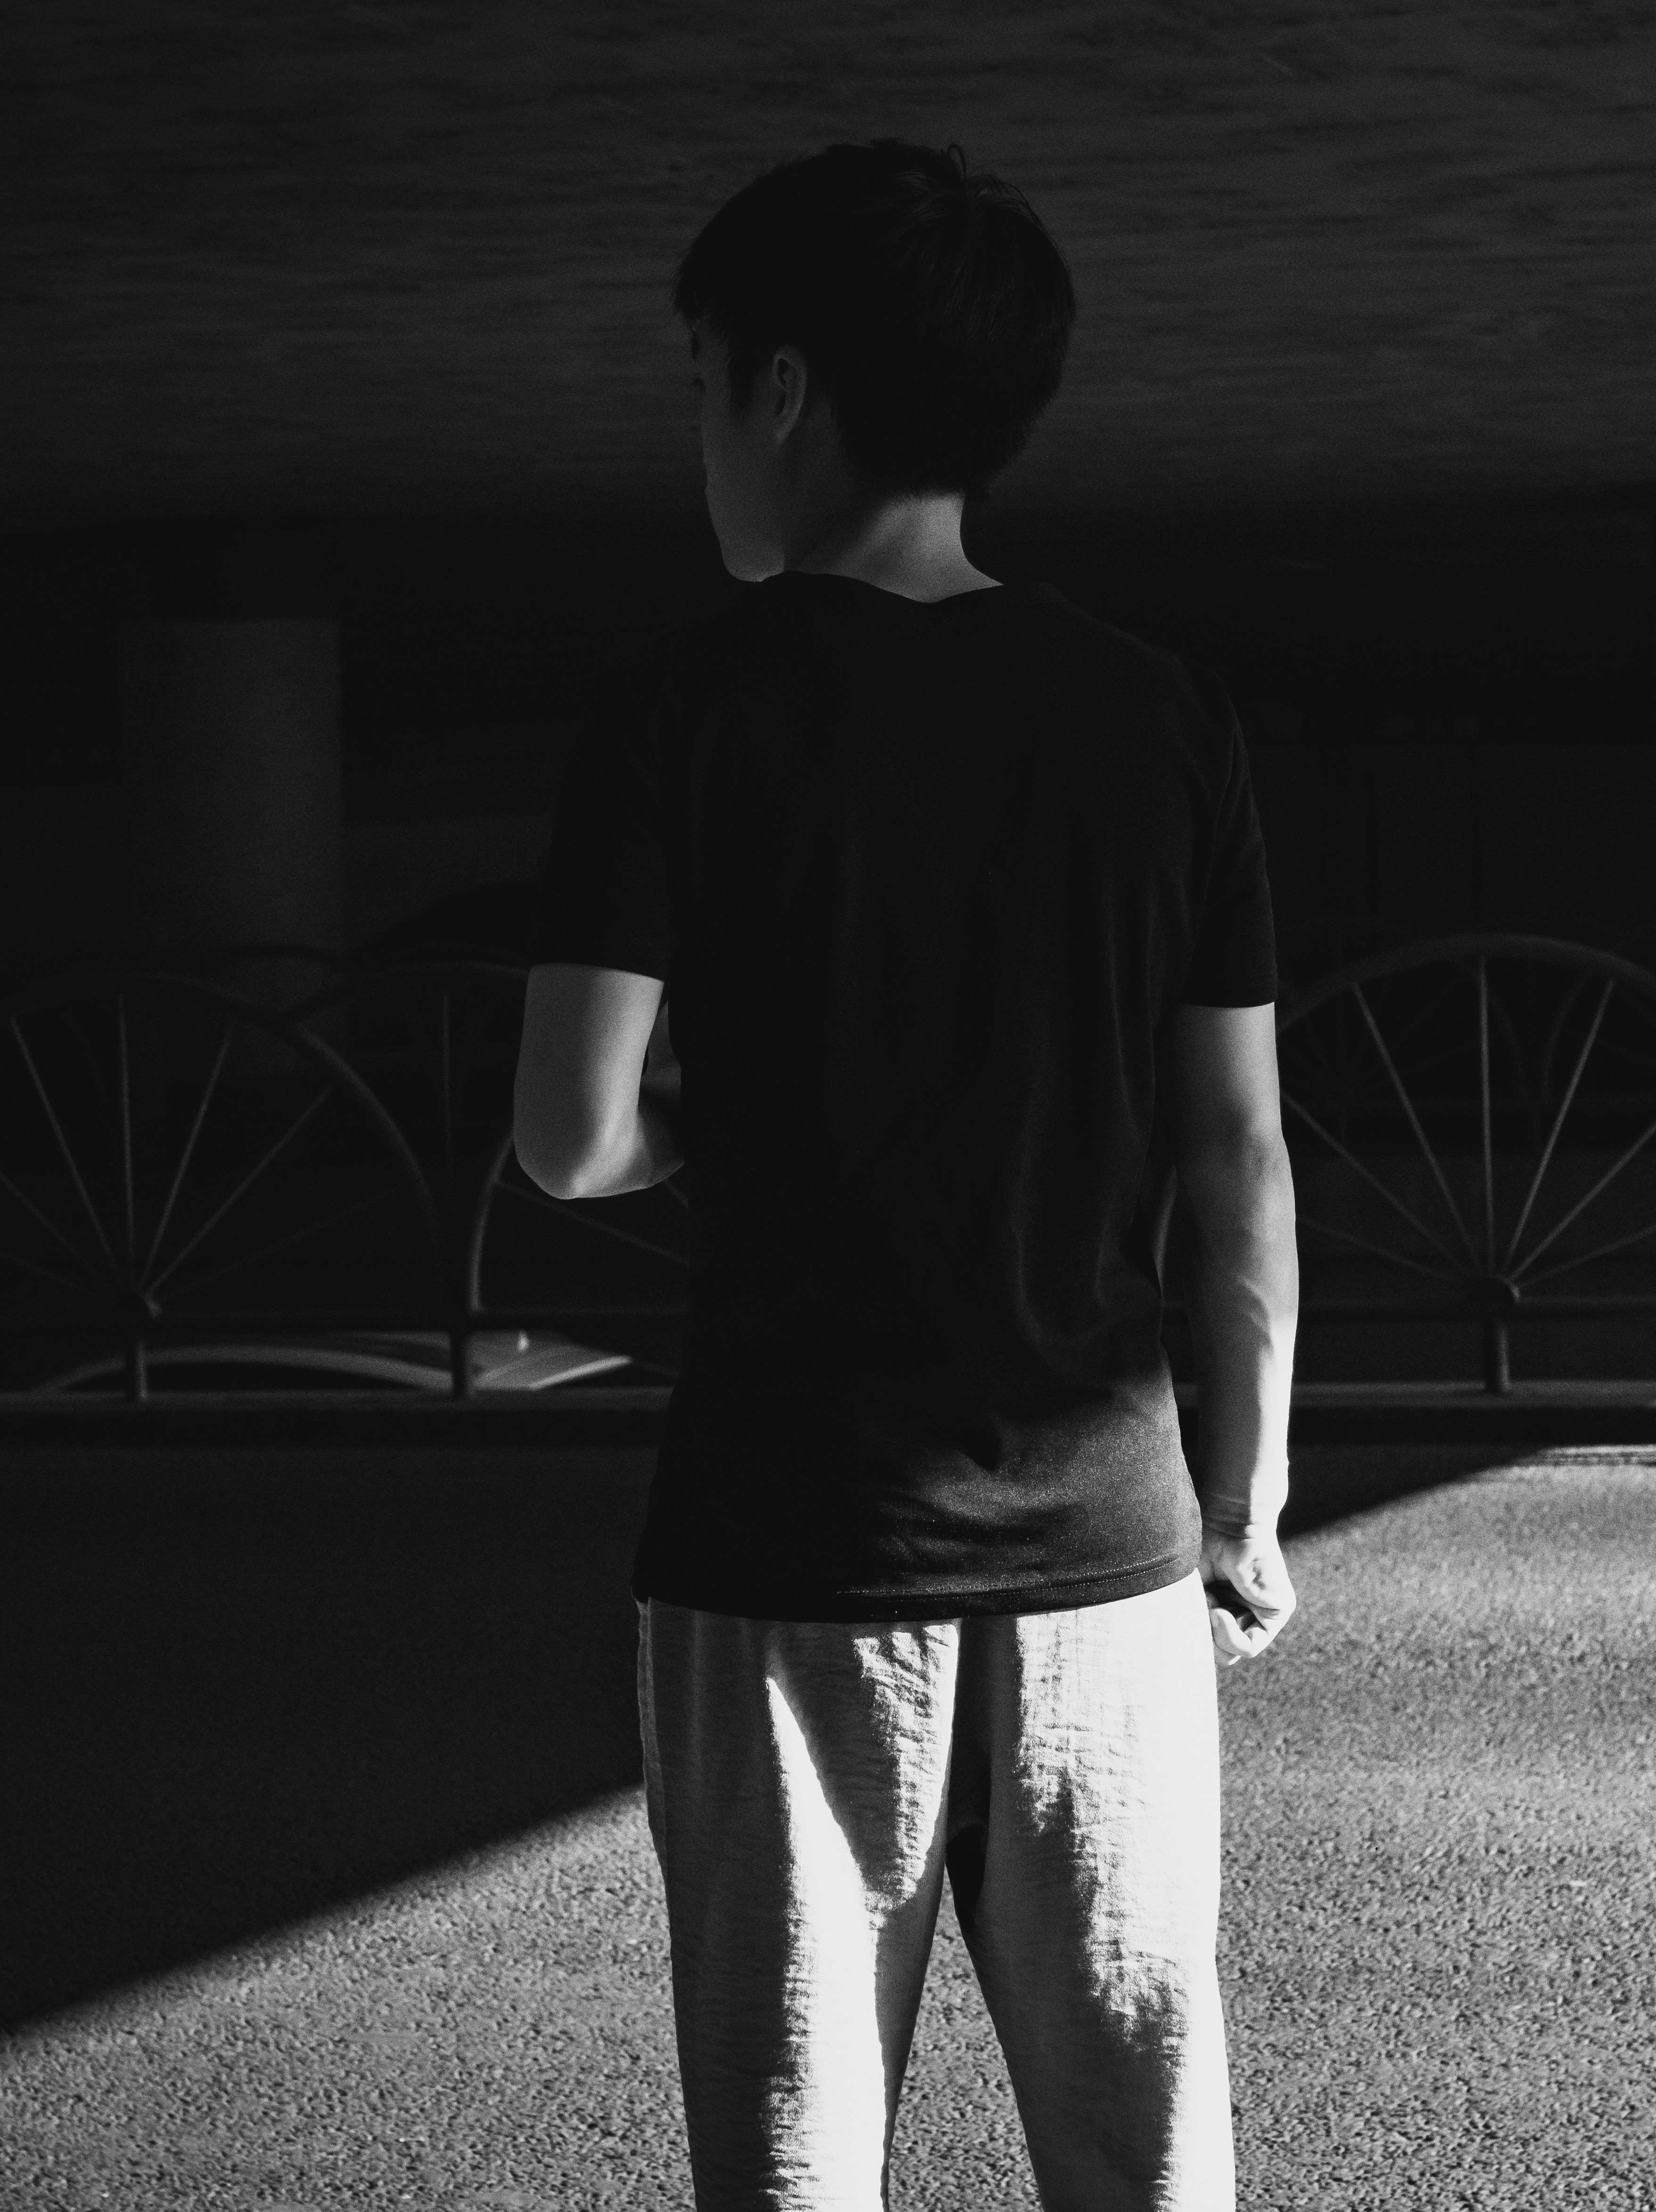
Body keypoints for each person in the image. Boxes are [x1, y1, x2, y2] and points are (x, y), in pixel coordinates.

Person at [508, 140, 1302, 2212]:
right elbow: (1238, 1158)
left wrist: (760, 1088)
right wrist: (1248, 1495)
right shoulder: (1162, 718)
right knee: (1146, 2151)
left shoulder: (681, 699)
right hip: (1110, 1551)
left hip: (788, 1543)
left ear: (783, 389)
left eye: (699, 384)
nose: (701, 438)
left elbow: (571, 1133)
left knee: (797, 2159)